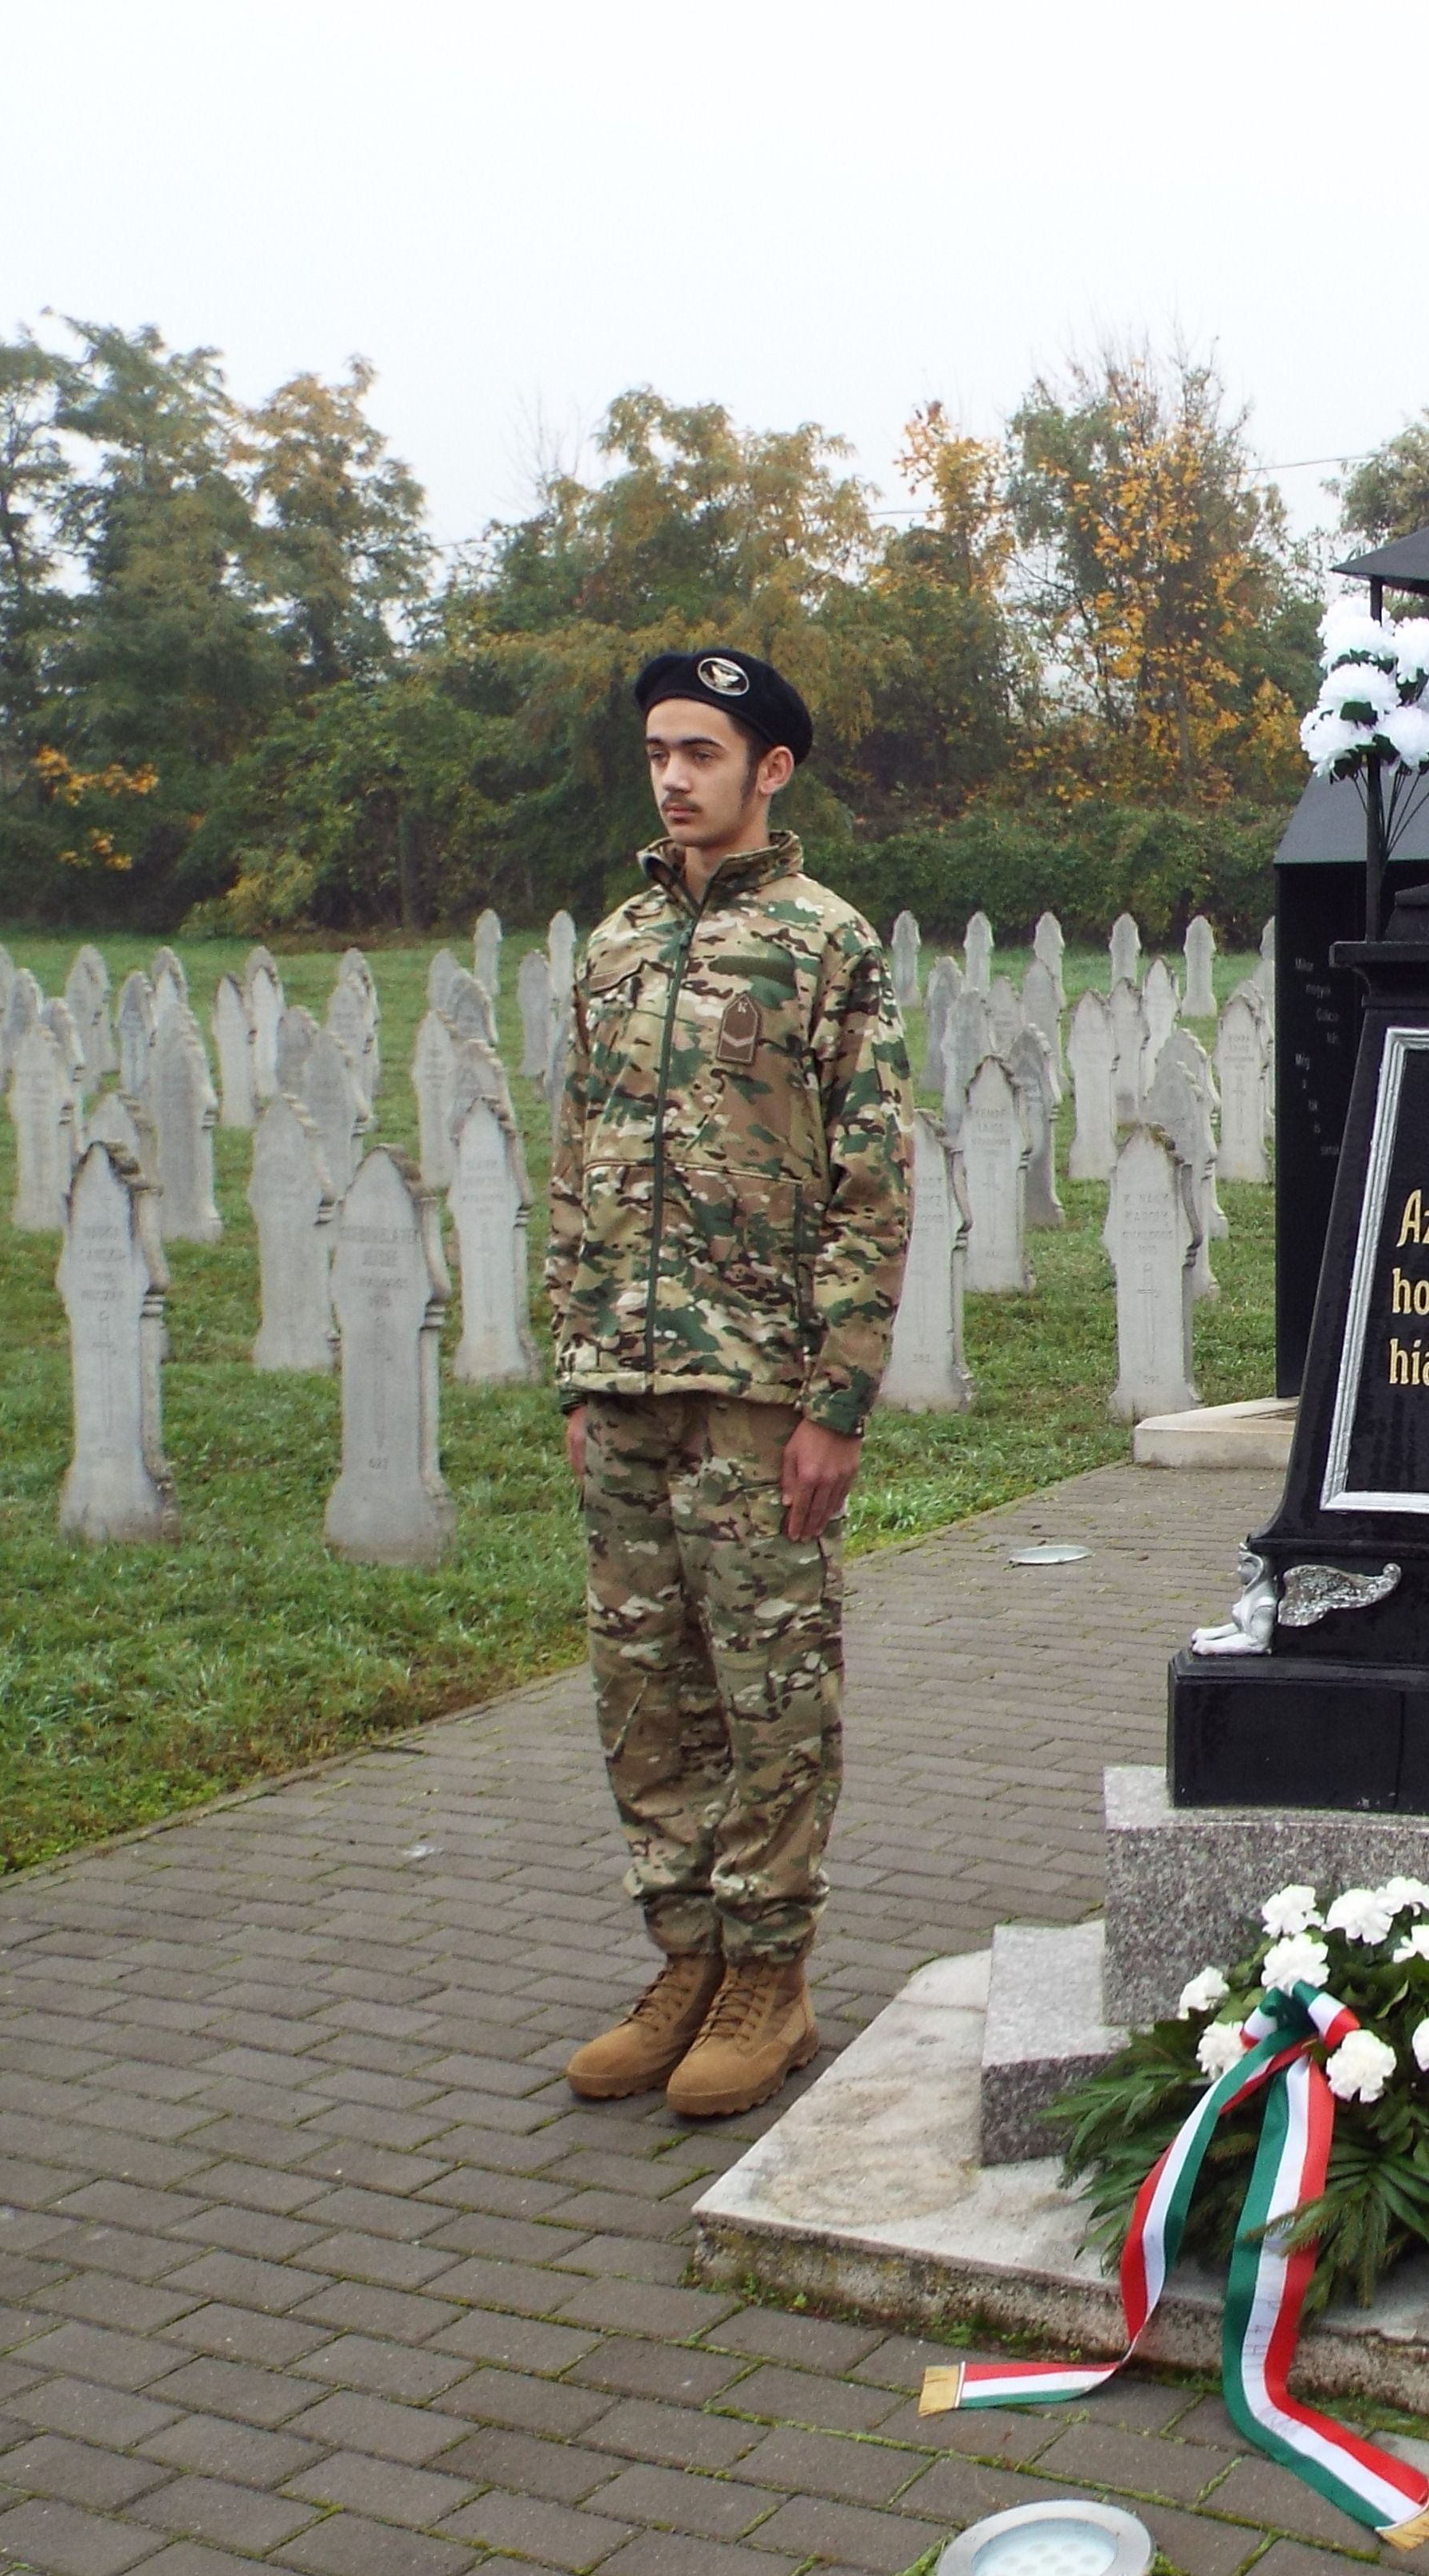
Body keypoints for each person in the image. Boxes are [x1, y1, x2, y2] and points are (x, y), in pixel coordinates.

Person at [550, 648, 911, 2119]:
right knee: (647, 1689)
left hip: (759, 1382)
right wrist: (574, 1365)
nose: (674, 777)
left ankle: (772, 1975)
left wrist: (838, 1398)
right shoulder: (618, 946)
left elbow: (874, 1177)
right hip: (623, 1382)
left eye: (702, 752)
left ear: (770, 769)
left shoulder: (828, 947)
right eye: (657, 753)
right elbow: (575, 1160)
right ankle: (684, 1957)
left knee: (770, 1690)